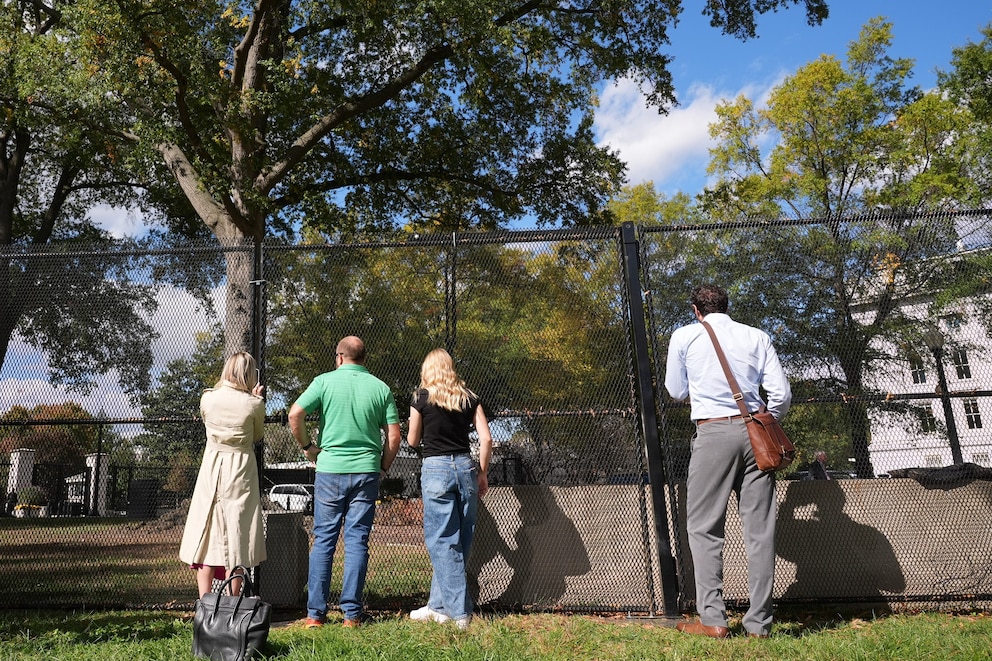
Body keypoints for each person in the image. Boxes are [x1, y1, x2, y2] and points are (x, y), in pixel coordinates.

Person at [664, 284, 792, 639]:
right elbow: (781, 394)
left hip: (713, 433)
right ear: (726, 306)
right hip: (757, 435)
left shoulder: (685, 336)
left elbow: (676, 390)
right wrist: (765, 423)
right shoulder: (757, 336)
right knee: (760, 531)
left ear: (696, 310)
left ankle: (713, 620)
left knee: (704, 528)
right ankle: (759, 625)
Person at [289, 336, 401, 628]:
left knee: (324, 539)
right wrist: (383, 467)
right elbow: (394, 436)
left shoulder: (323, 382)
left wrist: (307, 447)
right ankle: (352, 615)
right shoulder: (380, 388)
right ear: (364, 358)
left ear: (339, 357)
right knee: (357, 540)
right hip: (366, 471)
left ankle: (315, 615)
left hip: (329, 470)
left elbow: (295, 413)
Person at [406, 348, 493, 630]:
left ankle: (459, 613)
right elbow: (486, 439)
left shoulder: (420, 398)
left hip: (436, 469)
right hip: (466, 468)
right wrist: (483, 473)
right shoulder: (469, 398)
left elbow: (412, 440)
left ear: (427, 370)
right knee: (461, 539)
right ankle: (437, 606)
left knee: (442, 541)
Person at [179, 351, 267, 598]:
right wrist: (255, 398)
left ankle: (204, 603)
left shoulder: (208, 398)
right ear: (250, 374)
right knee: (237, 533)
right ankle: (232, 602)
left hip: (212, 468)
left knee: (208, 536)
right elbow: (257, 435)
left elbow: (207, 422)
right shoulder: (254, 404)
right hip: (240, 470)